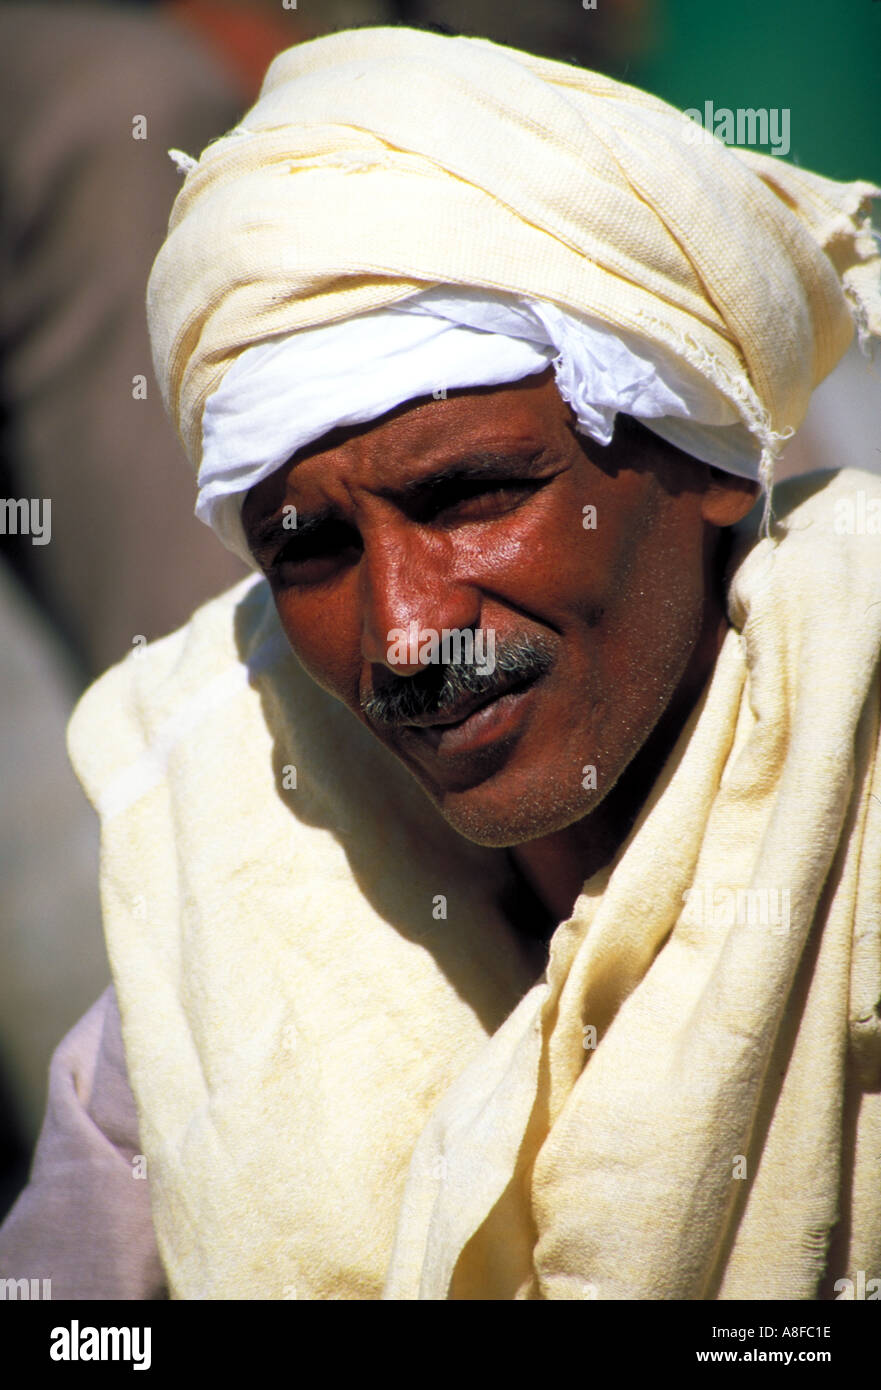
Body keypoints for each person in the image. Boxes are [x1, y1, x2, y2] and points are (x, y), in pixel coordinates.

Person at [1, 25, 880, 1302]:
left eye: (471, 494)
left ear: (700, 464)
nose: (407, 635)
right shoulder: (208, 932)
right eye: (306, 551)